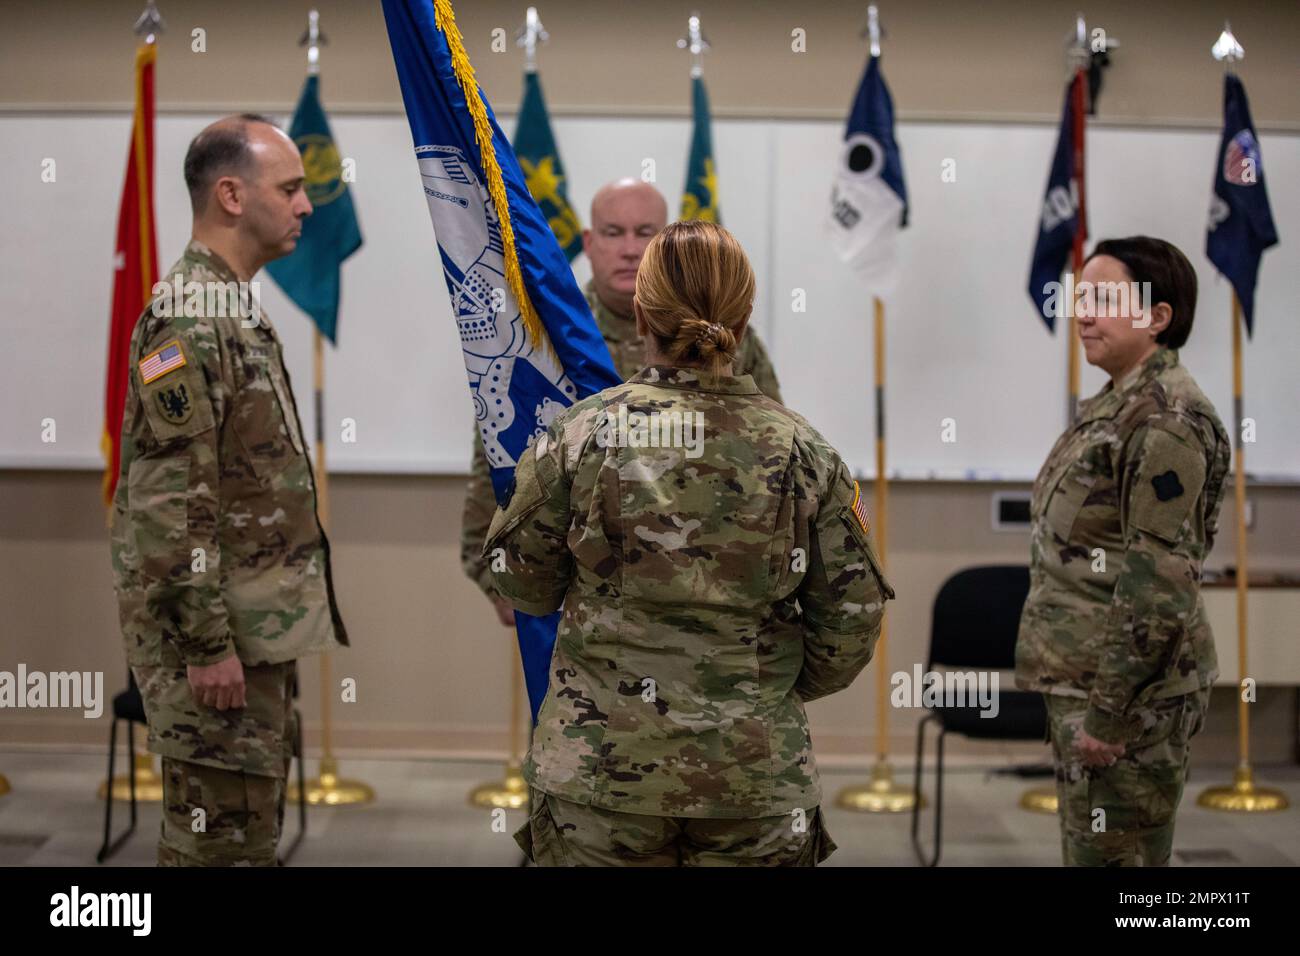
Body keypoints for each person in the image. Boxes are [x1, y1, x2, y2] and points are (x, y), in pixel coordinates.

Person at [484, 221, 894, 866]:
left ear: (642, 313)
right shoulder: (805, 451)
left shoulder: (581, 435)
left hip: (601, 773)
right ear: (745, 315)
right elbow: (852, 617)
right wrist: (767, 688)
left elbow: (521, 580)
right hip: (752, 774)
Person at [109, 114, 348, 866]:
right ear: (232, 196)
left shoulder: (231, 308)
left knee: (243, 839)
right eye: (291, 188)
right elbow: (170, 505)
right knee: (216, 847)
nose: (306, 205)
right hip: (215, 649)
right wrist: (206, 646)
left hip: (249, 634)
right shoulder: (189, 317)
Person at [460, 179, 782, 627]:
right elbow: (497, 459)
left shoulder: (723, 340)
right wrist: (496, 579)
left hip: (707, 589)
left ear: (668, 244)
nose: (630, 249)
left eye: (645, 232)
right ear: (589, 243)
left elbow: (773, 459)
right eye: (614, 233)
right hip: (581, 602)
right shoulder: (546, 342)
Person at [1015, 236, 1231, 867]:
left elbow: (1158, 582)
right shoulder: (1120, 403)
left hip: (1127, 699)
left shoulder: (1167, 418)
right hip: (1086, 682)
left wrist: (1109, 715)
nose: (1084, 313)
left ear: (1158, 318)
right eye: (1082, 298)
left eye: (1105, 298)